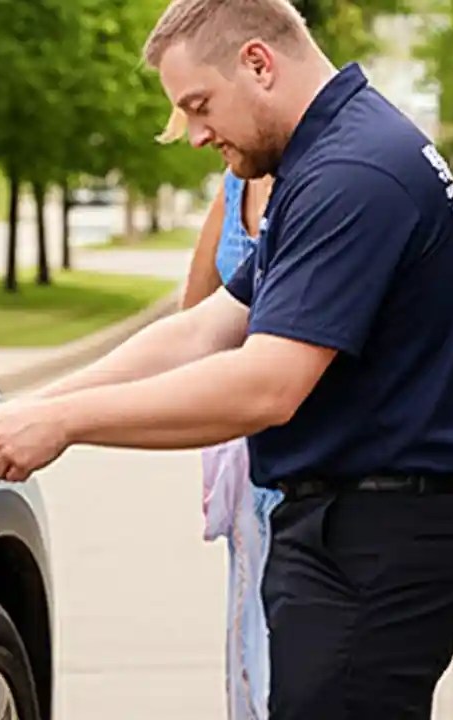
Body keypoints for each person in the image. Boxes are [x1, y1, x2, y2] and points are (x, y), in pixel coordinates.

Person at [0, 1, 453, 718]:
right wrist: (37, 405)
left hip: (379, 536)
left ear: (258, 63)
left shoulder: (355, 173)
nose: (197, 133)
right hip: (347, 525)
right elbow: (207, 327)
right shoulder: (325, 157)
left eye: (200, 105)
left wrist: (66, 424)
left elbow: (265, 386)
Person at [168, 104, 282, 717]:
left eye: (202, 109)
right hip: (247, 470)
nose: (201, 137)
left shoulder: (321, 183)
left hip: (316, 470)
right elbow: (193, 325)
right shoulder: (235, 187)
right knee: (251, 653)